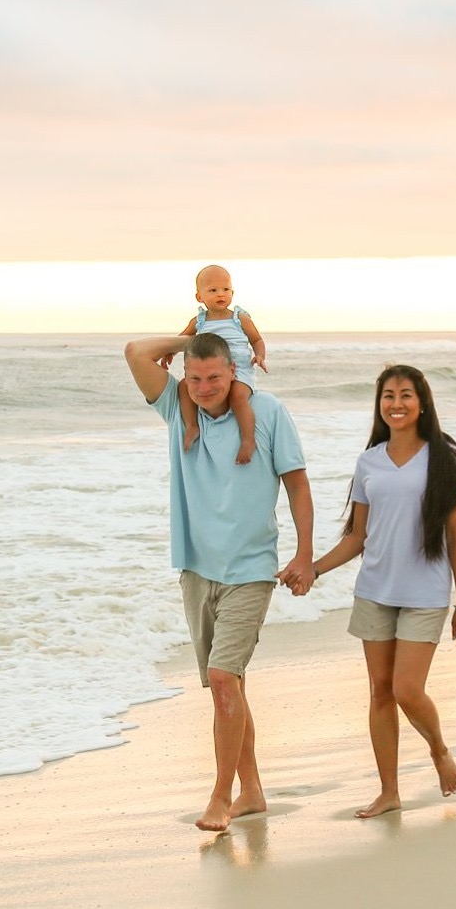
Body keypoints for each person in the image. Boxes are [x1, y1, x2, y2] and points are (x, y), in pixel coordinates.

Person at [125, 326, 315, 832]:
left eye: (214, 377)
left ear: (235, 373)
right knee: (226, 685)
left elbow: (296, 484)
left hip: (252, 570)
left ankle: (220, 797)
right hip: (195, 567)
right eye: (195, 378)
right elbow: (135, 352)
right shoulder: (177, 411)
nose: (205, 388)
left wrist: (306, 554)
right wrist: (190, 337)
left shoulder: (268, 412)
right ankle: (252, 791)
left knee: (223, 678)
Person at [309, 365, 456, 818]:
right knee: (380, 691)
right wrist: (313, 569)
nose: (396, 403)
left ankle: (438, 748)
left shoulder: (447, 458)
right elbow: (358, 536)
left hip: (426, 592)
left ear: (422, 402)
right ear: (379, 405)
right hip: (375, 590)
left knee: (405, 689)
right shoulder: (370, 462)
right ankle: (389, 792)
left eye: (405, 395)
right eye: (387, 396)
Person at [159, 265, 267, 464]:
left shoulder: (239, 318)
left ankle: (248, 439)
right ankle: (192, 426)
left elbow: (257, 340)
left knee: (237, 397)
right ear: (200, 297)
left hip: (239, 368)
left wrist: (259, 356)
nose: (221, 294)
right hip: (210, 371)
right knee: (183, 387)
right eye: (213, 290)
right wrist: (169, 352)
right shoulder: (199, 320)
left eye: (226, 289)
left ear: (232, 292)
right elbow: (182, 338)